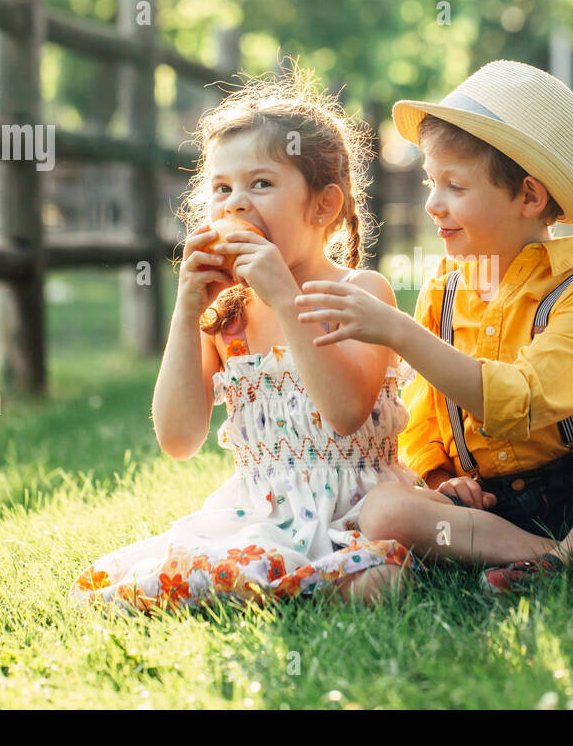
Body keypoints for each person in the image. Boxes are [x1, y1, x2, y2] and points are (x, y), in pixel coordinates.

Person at [293, 60, 573, 593]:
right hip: (492, 509)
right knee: (384, 511)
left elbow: (517, 404)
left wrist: (399, 332)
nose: (432, 202)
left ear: (530, 198)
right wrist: (446, 480)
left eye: (455, 185)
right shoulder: (442, 291)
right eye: (430, 181)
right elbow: (425, 416)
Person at [68, 67, 419, 614]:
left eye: (261, 184)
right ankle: (272, 583)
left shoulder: (359, 292)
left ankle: (284, 584)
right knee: (168, 572)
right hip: (259, 514)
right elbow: (178, 439)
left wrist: (284, 297)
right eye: (222, 189)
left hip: (357, 510)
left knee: (379, 577)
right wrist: (187, 313)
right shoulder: (226, 316)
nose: (236, 205)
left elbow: (346, 412)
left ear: (323, 207)